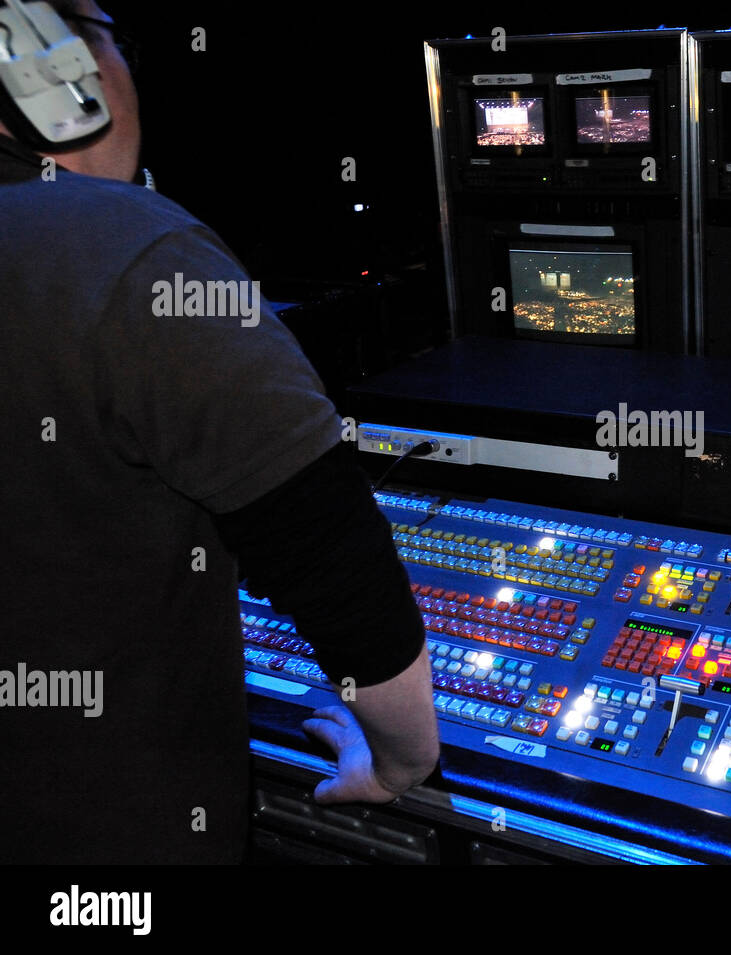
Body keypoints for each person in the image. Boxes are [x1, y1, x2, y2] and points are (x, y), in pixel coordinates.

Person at [0, 0, 439, 863]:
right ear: (50, 67)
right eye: (108, 37)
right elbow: (330, 555)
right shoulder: (127, 247)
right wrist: (401, 761)